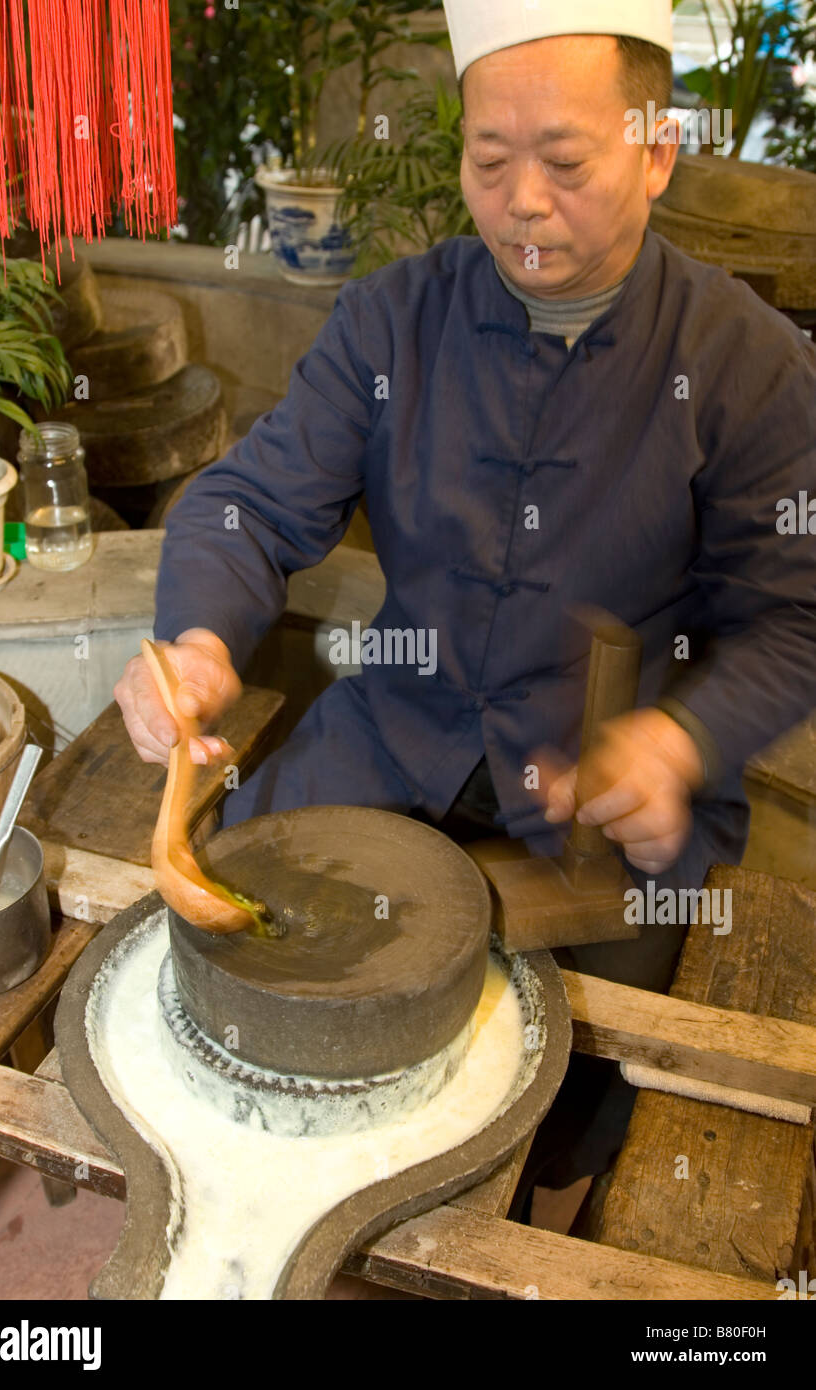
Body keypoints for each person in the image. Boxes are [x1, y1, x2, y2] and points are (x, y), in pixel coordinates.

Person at [115, 0, 816, 1208]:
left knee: (588, 1078)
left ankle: (539, 1199)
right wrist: (194, 639)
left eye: (562, 162)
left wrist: (681, 737)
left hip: (602, 799)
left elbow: (794, 612)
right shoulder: (395, 318)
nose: (521, 202)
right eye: (487, 162)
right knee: (239, 955)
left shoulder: (744, 359)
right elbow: (247, 502)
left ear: (655, 149)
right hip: (394, 730)